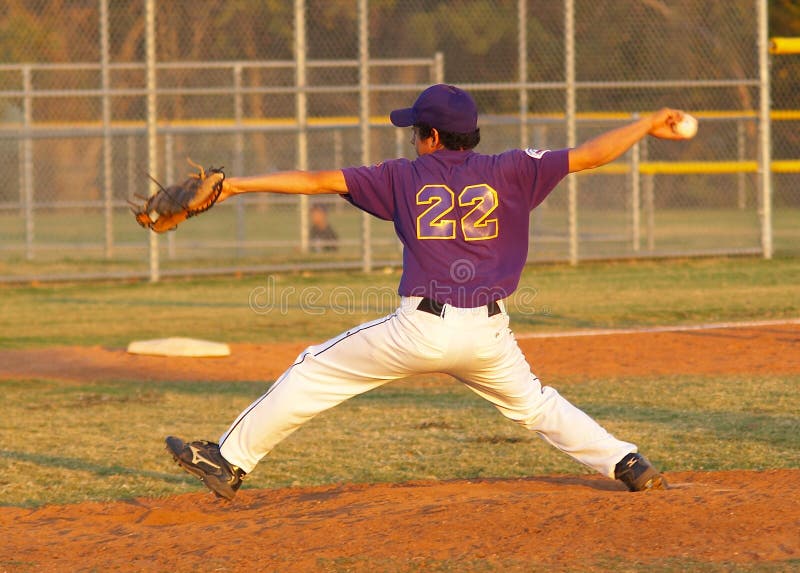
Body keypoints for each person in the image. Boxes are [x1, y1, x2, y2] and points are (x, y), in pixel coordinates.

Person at [166, 84, 690, 500]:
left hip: (420, 327)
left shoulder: (403, 176)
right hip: (489, 335)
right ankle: (627, 462)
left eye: (417, 130)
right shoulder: (514, 169)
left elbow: (317, 180)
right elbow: (590, 155)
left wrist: (236, 185)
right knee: (534, 404)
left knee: (315, 369)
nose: (413, 139)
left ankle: (228, 460)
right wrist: (645, 123)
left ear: (434, 137)